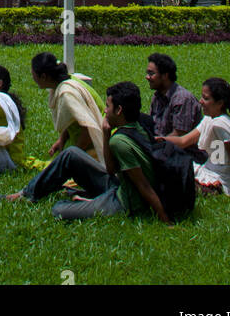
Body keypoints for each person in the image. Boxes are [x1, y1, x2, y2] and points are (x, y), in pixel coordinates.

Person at [9, 82, 171, 223]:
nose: (105, 111)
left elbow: (143, 185)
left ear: (119, 110)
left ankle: (83, 199)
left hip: (125, 201)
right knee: (71, 154)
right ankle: (28, 193)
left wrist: (164, 219)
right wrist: (106, 134)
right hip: (120, 184)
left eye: (108, 106)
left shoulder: (120, 142)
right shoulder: (139, 124)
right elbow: (111, 170)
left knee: (59, 209)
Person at [160, 78, 230, 198]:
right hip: (209, 170)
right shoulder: (209, 119)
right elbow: (183, 141)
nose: (201, 102)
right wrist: (159, 140)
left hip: (218, 180)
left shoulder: (220, 126)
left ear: (220, 103)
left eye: (206, 99)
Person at [28, 52, 106, 161]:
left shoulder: (67, 94)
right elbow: (72, 118)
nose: (32, 78)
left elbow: (89, 129)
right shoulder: (64, 81)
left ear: (44, 76)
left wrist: (71, 156)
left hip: (99, 146)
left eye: (33, 74)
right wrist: (62, 140)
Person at [146, 53, 205, 160]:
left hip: (183, 157)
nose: (147, 77)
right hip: (162, 150)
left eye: (151, 74)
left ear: (165, 75)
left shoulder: (182, 99)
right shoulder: (157, 97)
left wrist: (153, 145)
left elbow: (179, 135)